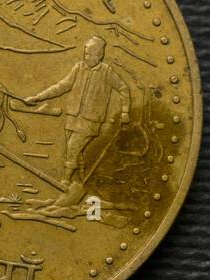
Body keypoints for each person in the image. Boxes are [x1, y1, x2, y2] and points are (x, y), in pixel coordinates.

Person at [23, 35, 130, 187]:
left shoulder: (107, 72)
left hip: (90, 120)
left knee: (73, 148)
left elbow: (123, 88)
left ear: (100, 55)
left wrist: (125, 111)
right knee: (74, 151)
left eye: (90, 54)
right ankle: (80, 182)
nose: (86, 56)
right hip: (73, 118)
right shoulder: (78, 68)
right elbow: (61, 86)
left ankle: (65, 182)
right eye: (85, 53)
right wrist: (38, 98)